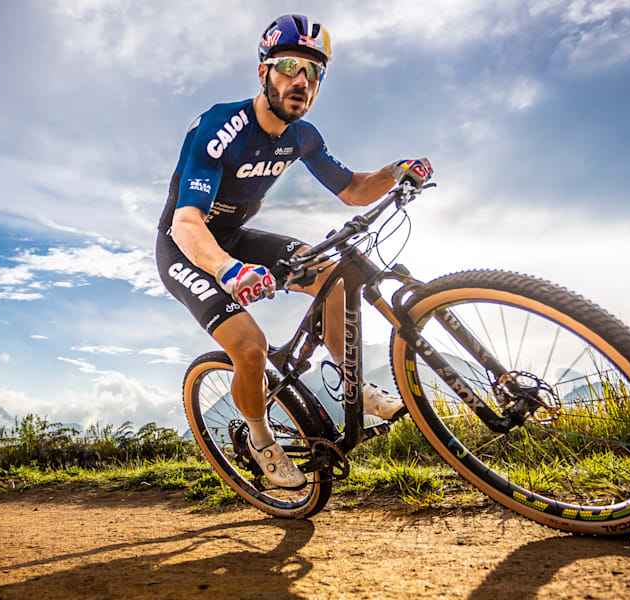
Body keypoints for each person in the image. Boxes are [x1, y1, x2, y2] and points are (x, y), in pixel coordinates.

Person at [156, 14, 432, 489]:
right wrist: (228, 270)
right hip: (188, 250)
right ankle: (261, 441)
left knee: (335, 276)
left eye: (313, 72)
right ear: (264, 71)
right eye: (288, 66)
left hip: (238, 237)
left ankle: (352, 387)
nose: (300, 81)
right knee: (250, 347)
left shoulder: (303, 136)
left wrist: (397, 169)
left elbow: (352, 189)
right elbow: (186, 222)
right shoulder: (221, 126)